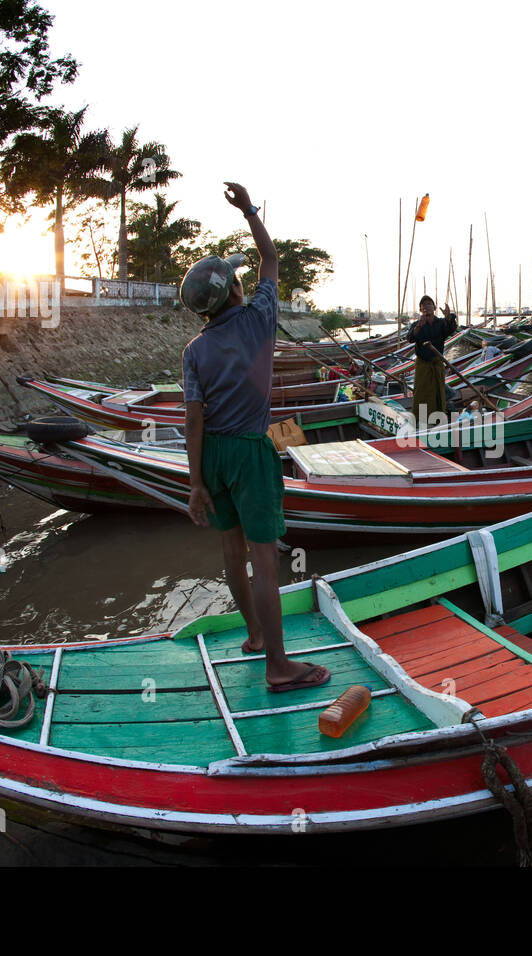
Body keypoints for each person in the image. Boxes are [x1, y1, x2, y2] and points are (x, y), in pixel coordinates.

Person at [179, 182, 329, 693]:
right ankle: (279, 667)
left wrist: (195, 483)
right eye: (239, 280)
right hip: (248, 448)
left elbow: (192, 421)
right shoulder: (261, 319)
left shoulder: (195, 349)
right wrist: (247, 209)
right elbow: (269, 255)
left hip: (214, 457)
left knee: (231, 549)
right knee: (265, 558)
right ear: (236, 292)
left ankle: (254, 635)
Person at [408, 295, 455, 427]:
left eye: (429, 304)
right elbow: (410, 338)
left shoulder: (440, 323)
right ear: (420, 309)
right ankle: (420, 419)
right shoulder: (416, 325)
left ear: (434, 307)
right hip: (423, 364)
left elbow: (450, 329)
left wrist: (448, 317)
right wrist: (419, 326)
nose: (426, 306)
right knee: (421, 391)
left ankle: (437, 419)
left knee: (437, 390)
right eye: (423, 305)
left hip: (437, 363)